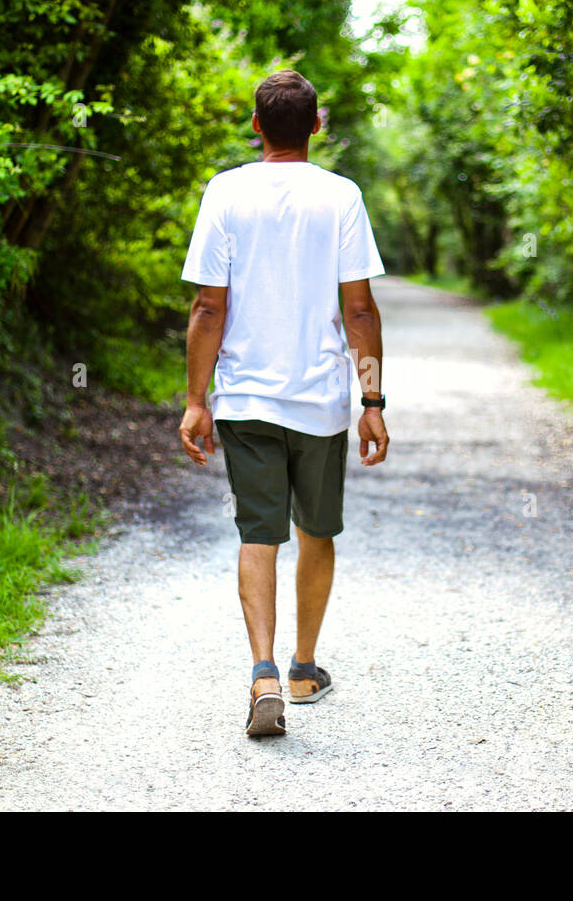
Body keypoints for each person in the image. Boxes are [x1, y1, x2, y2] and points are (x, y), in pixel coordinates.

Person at [178, 69, 389, 737]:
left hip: (244, 399)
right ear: (317, 126)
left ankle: (262, 671)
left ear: (256, 126)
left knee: (256, 533)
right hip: (321, 401)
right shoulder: (341, 197)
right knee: (316, 529)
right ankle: (303, 667)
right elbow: (360, 310)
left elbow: (209, 305)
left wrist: (194, 400)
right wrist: (374, 399)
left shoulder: (226, 191)